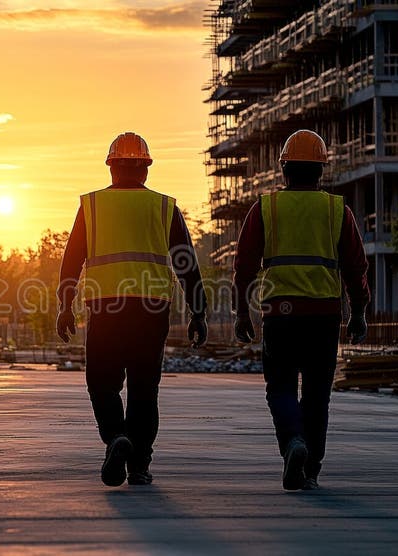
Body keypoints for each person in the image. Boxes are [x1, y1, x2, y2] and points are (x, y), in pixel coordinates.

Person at [56, 132, 208, 487]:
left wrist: (65, 305)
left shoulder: (92, 206)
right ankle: (138, 465)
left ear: (111, 167)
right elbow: (186, 262)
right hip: (151, 309)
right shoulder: (163, 206)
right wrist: (198, 311)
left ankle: (115, 437)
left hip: (105, 305)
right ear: (146, 169)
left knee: (102, 384)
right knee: (144, 388)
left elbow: (71, 260)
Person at [231, 129, 370, 491]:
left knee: (279, 387)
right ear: (321, 171)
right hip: (324, 317)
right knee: (317, 395)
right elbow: (356, 267)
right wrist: (359, 312)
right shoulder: (337, 209)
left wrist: (241, 313)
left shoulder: (266, 207)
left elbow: (244, 266)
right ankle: (311, 468)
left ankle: (293, 441)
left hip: (280, 315)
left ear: (283, 170)